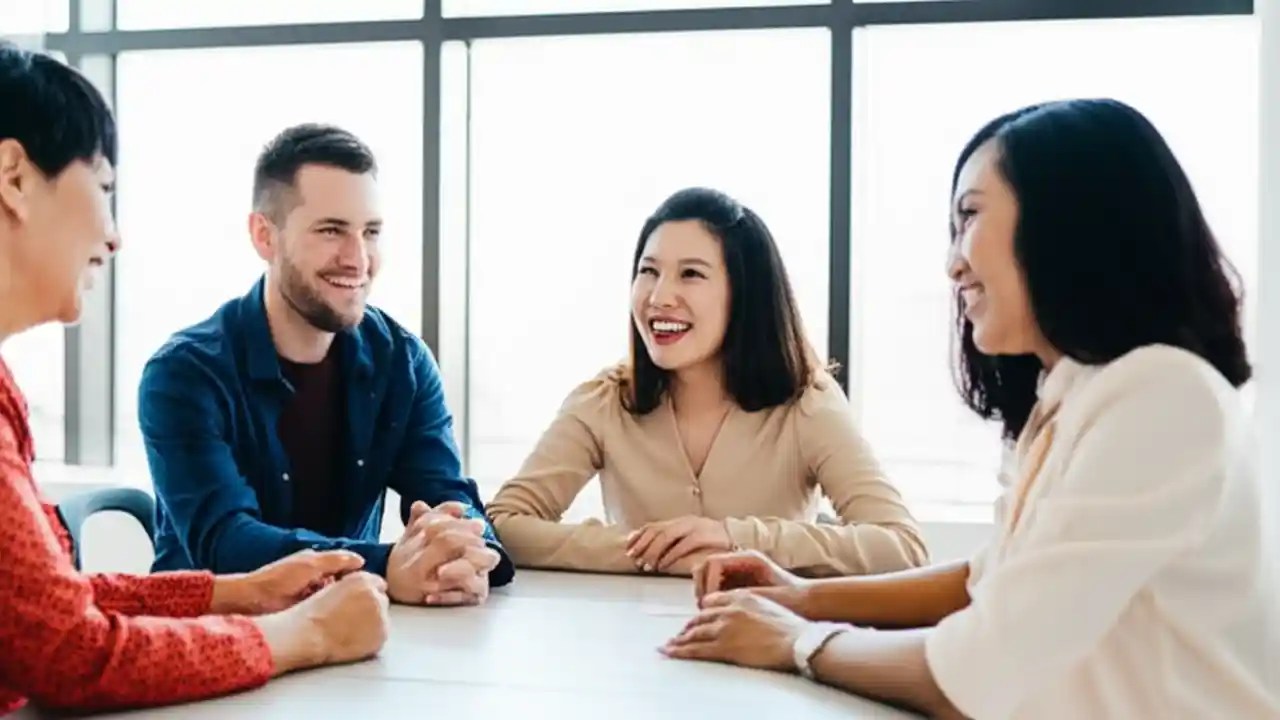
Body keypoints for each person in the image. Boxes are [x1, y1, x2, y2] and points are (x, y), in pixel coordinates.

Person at [661, 99, 1280, 719]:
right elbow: (994, 576)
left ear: (1065, 221)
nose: (953, 262)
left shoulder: (1160, 397)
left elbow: (978, 676)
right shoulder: (1075, 396)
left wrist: (798, 641)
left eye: (970, 217)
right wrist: (802, 596)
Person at [0, 44, 393, 714]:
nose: (114, 236)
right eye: (103, 188)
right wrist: (305, 635)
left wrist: (241, 592)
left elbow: (46, 602)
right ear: (14, 177)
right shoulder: (186, 367)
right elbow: (72, 653)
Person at [138, 123, 513, 606]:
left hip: (348, 631)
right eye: (332, 230)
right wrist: (387, 565)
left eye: (370, 232)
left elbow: (448, 495)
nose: (358, 259)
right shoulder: (183, 374)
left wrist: (466, 549)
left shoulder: (402, 361)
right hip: (211, 635)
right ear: (264, 236)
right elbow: (226, 545)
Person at [487, 187, 926, 578]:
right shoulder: (604, 401)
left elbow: (902, 546)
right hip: (629, 633)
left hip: (765, 632)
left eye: (691, 274)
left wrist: (735, 540)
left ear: (745, 293)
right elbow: (503, 525)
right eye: (648, 271)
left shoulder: (807, 404)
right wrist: (647, 551)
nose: (659, 297)